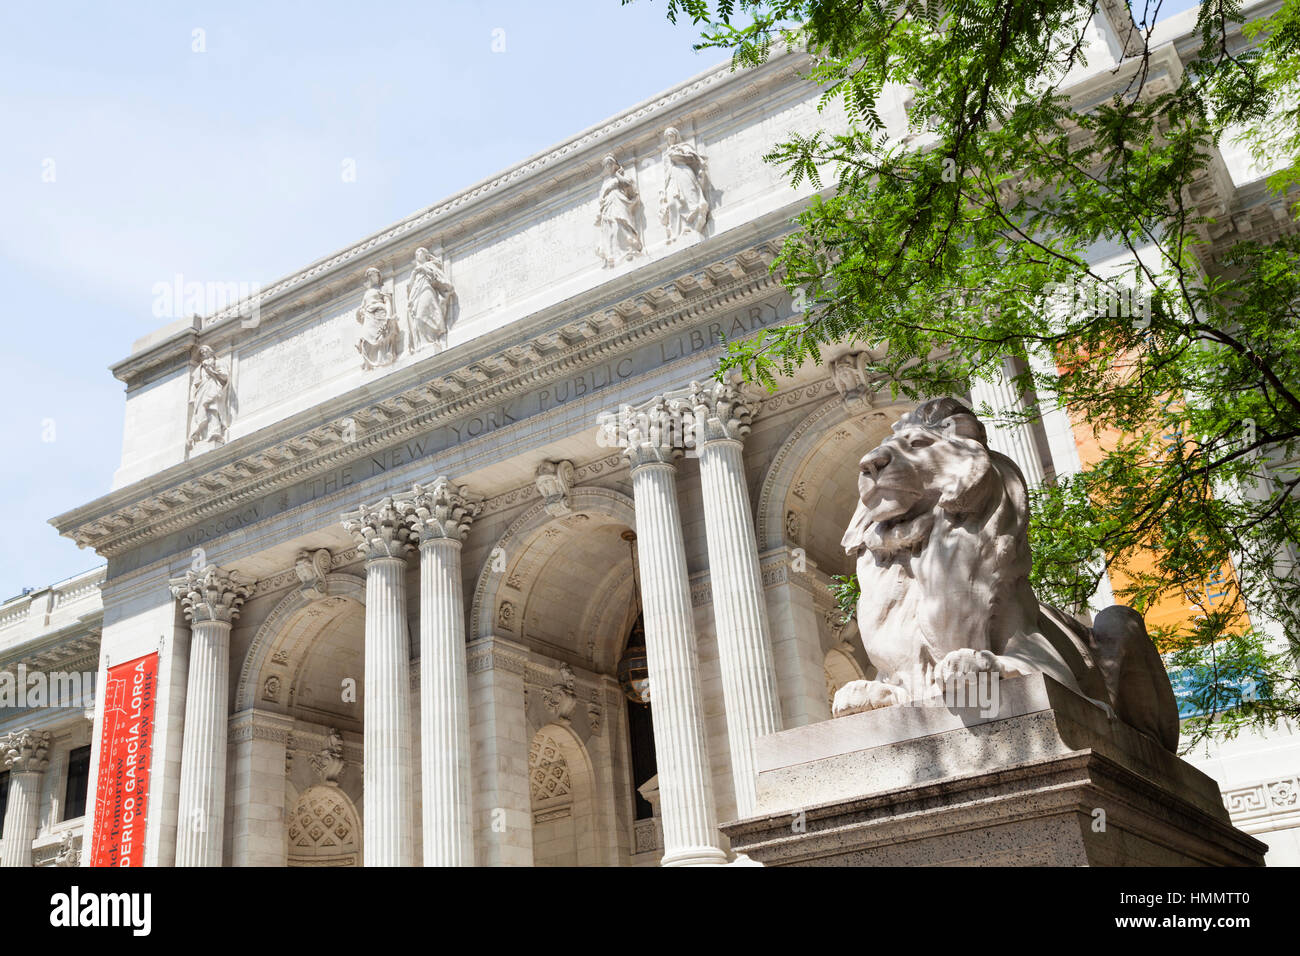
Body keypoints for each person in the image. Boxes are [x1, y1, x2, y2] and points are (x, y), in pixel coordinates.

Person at [660, 126, 710, 241]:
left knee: (690, 200)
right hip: (671, 178)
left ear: (676, 136)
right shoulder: (666, 153)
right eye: (667, 137)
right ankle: (676, 232)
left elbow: (692, 158)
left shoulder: (684, 146)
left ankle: (692, 226)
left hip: (684, 173)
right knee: (673, 204)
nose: (670, 138)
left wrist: (678, 156)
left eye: (671, 135)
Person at [595, 154, 643, 267]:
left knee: (622, 223)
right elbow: (601, 198)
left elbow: (628, 186)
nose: (608, 166)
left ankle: (629, 248)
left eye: (610, 164)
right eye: (606, 164)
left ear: (614, 165)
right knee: (612, 229)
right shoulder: (605, 183)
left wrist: (618, 175)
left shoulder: (620, 177)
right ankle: (613, 254)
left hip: (620, 201)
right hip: (609, 206)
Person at [406, 247, 455, 352]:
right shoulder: (415, 271)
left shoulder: (430, 265)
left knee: (421, 315)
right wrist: (414, 274)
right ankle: (423, 343)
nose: (418, 253)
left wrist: (424, 269)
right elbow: (409, 287)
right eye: (416, 252)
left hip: (427, 289)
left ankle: (431, 340)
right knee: (417, 319)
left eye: (420, 251)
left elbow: (437, 278)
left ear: (426, 255)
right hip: (416, 294)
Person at [188, 345, 230, 451]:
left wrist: (212, 371)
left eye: (205, 351)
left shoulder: (218, 362)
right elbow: (195, 384)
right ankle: (199, 434)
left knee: (213, 408)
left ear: (210, 352)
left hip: (213, 386)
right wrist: (192, 397)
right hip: (203, 390)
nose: (203, 354)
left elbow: (224, 377)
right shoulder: (199, 368)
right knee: (202, 412)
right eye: (201, 353)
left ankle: (215, 433)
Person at [355, 267, 398, 369]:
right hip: (368, 315)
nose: (373, 277)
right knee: (366, 336)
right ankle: (368, 362)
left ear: (378, 276)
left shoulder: (383, 288)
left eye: (375, 275)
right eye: (371, 275)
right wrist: (360, 311)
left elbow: (387, 301)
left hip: (379, 313)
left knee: (381, 336)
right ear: (369, 277)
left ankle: (381, 359)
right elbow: (362, 307)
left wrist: (388, 315)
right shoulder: (367, 292)